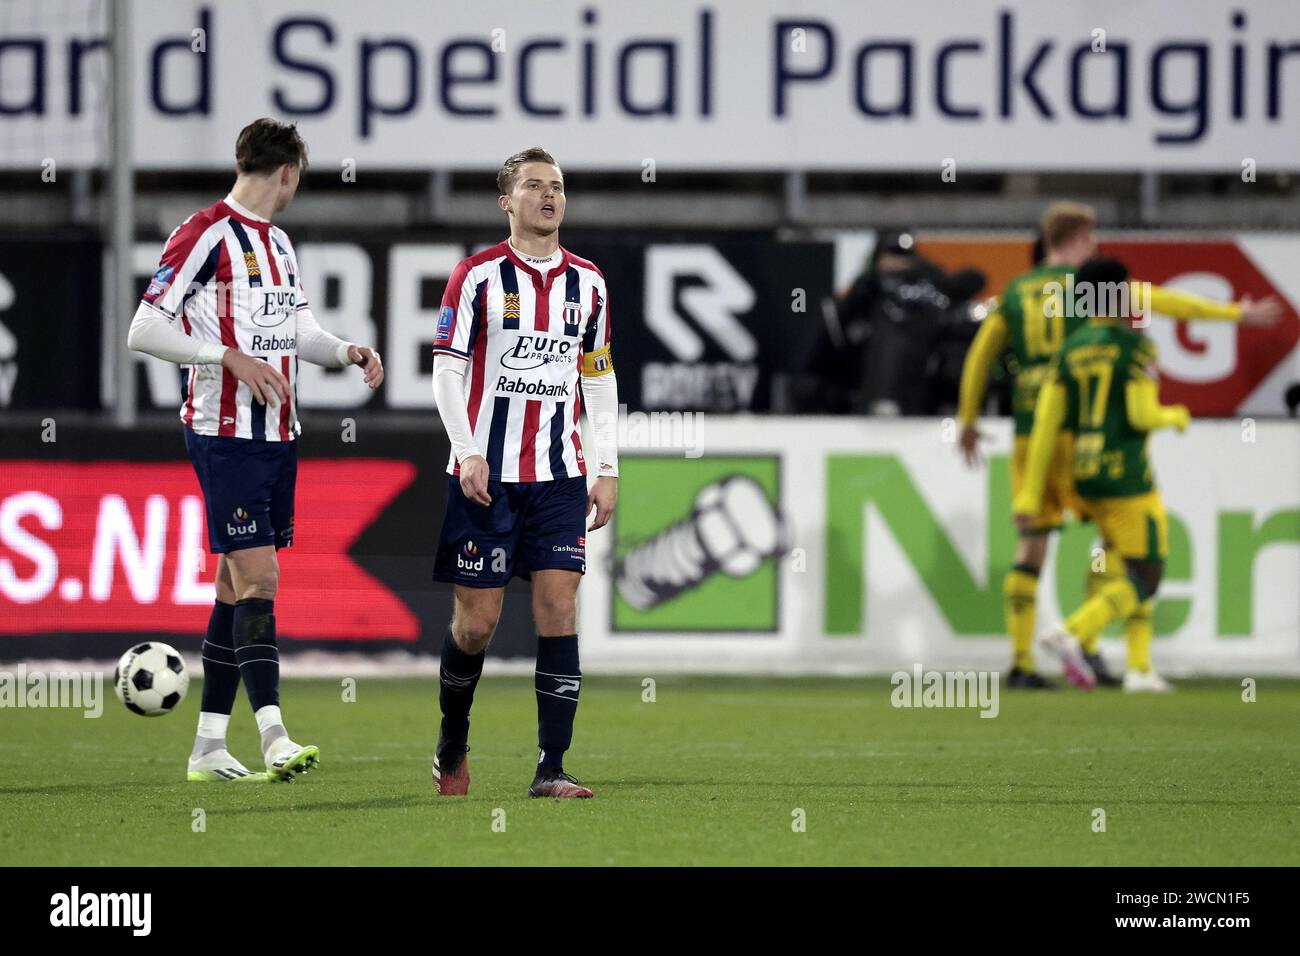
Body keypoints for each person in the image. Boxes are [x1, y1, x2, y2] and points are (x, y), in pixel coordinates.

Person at [127, 118, 385, 781]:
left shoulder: (279, 245)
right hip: (223, 434)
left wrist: (344, 351)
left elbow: (296, 328)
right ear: (288, 173)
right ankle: (273, 735)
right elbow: (144, 328)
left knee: (233, 583)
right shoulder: (204, 232)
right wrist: (226, 356)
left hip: (276, 435)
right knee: (262, 578)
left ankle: (209, 747)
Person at [957, 201, 1282, 688]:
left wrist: (966, 420)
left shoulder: (1017, 295)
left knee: (1031, 546)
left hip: (1033, 435)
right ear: (1078, 236)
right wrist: (1239, 314)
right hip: (1088, 436)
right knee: (1113, 543)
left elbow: (981, 356)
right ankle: (1087, 646)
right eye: (1091, 237)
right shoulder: (1087, 288)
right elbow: (1168, 303)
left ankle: (1022, 663)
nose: (1096, 245)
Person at [430, 146, 619, 799]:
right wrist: (468, 450)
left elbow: (599, 380)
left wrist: (607, 466)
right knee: (477, 623)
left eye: (558, 186)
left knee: (558, 609)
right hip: (487, 476)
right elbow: (447, 371)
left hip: (561, 475)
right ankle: (452, 741)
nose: (549, 195)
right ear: (506, 202)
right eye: (534, 185)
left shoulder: (588, 284)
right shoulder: (477, 276)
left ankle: (552, 766)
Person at [1013, 257, 1186, 691]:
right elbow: (1140, 413)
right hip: (1128, 476)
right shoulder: (1136, 347)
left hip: (1085, 473)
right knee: (1147, 574)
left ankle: (1139, 669)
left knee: (1128, 565)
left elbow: (1045, 426)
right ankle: (1075, 632)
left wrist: (1030, 496)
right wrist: (1177, 415)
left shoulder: (1069, 351)